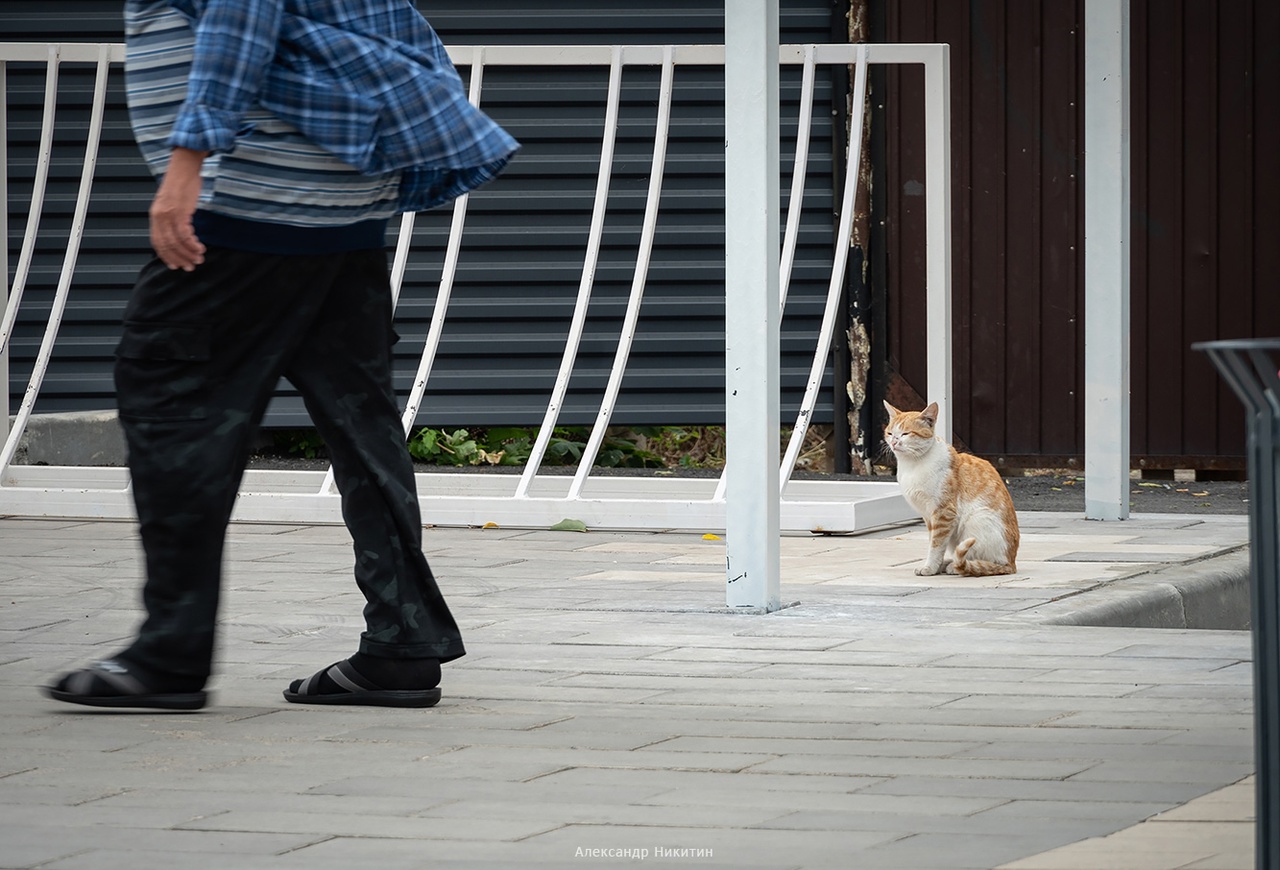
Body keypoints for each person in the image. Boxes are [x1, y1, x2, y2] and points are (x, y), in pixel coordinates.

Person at [42, 0, 518, 710]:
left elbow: (241, 16)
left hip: (250, 202)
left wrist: (186, 163)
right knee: (363, 428)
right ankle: (403, 643)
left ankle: (169, 656)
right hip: (340, 203)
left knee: (172, 407)